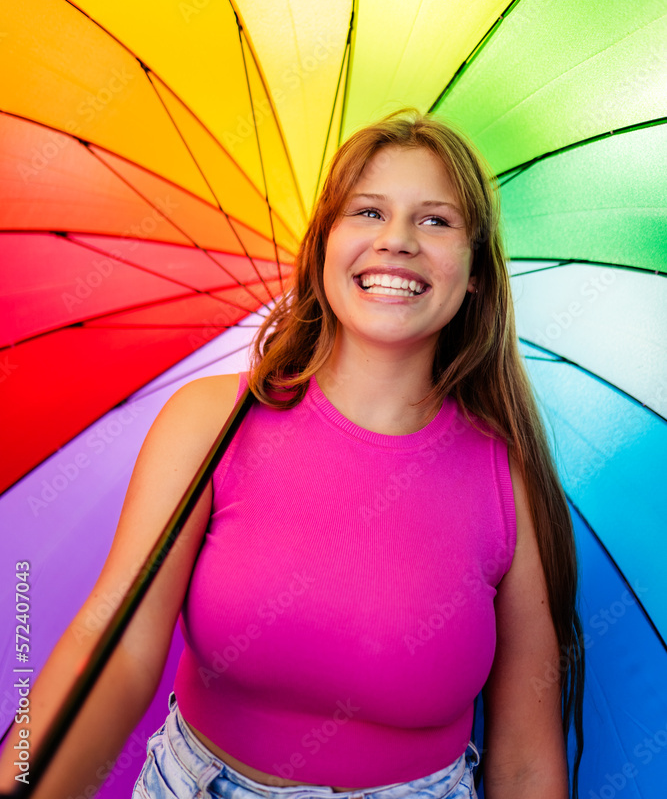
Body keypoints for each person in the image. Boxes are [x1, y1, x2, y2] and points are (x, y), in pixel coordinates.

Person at [0, 110, 584, 799]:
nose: (396, 240)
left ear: (476, 274)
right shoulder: (211, 421)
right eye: (367, 211)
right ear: (323, 248)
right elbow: (114, 647)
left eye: (435, 221)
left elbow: (522, 760)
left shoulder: (506, 477)